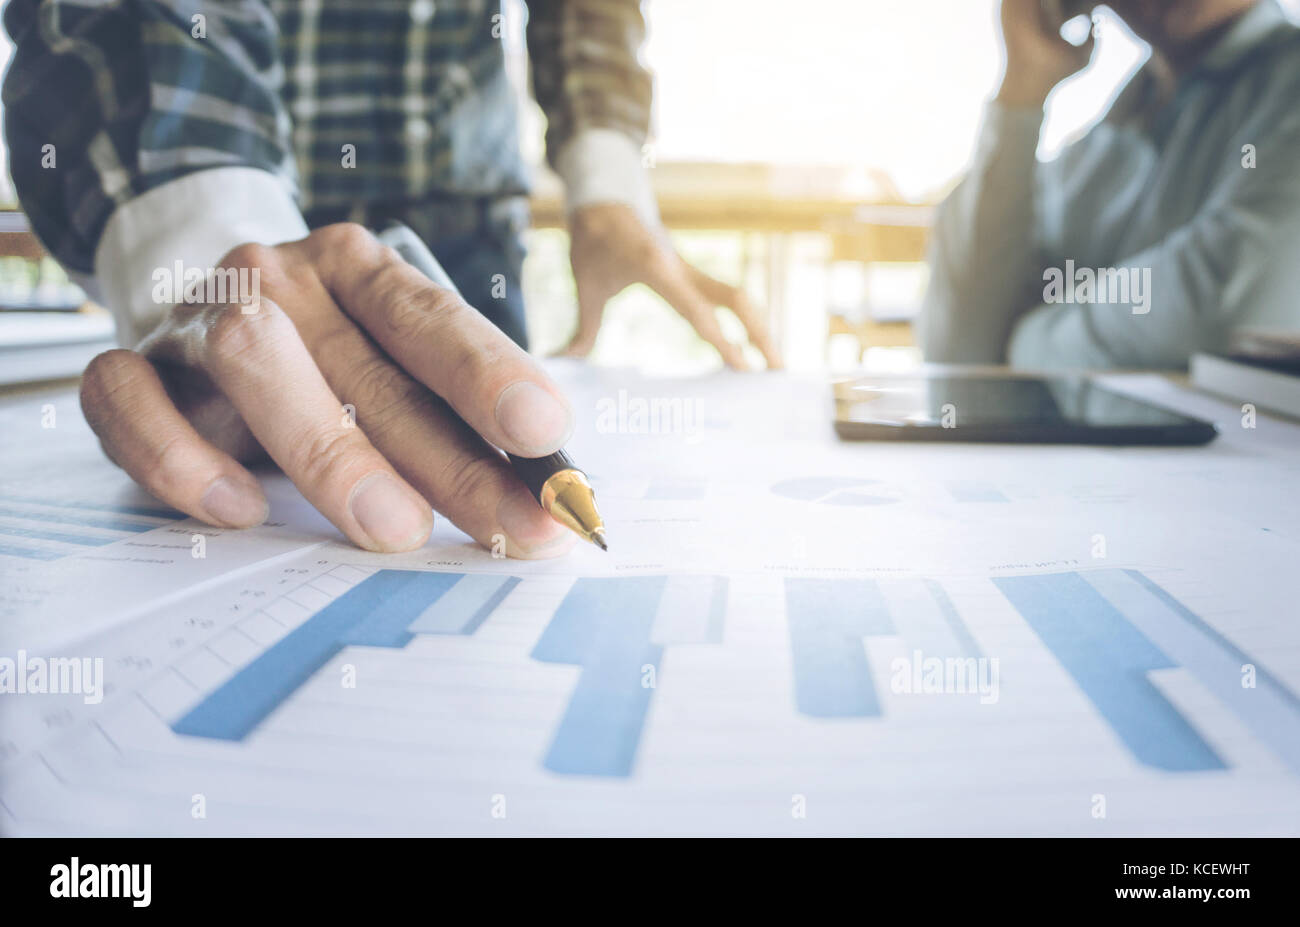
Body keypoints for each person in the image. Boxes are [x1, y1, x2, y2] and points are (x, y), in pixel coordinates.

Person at [2, 0, 779, 558]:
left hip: (464, 249)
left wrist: (606, 183)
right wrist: (216, 243)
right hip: (252, 202)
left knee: (491, 447)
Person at [920, 0, 1300, 370]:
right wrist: (1023, 89)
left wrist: (1026, 347)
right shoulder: (1097, 146)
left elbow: (1229, 305)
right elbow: (959, 350)